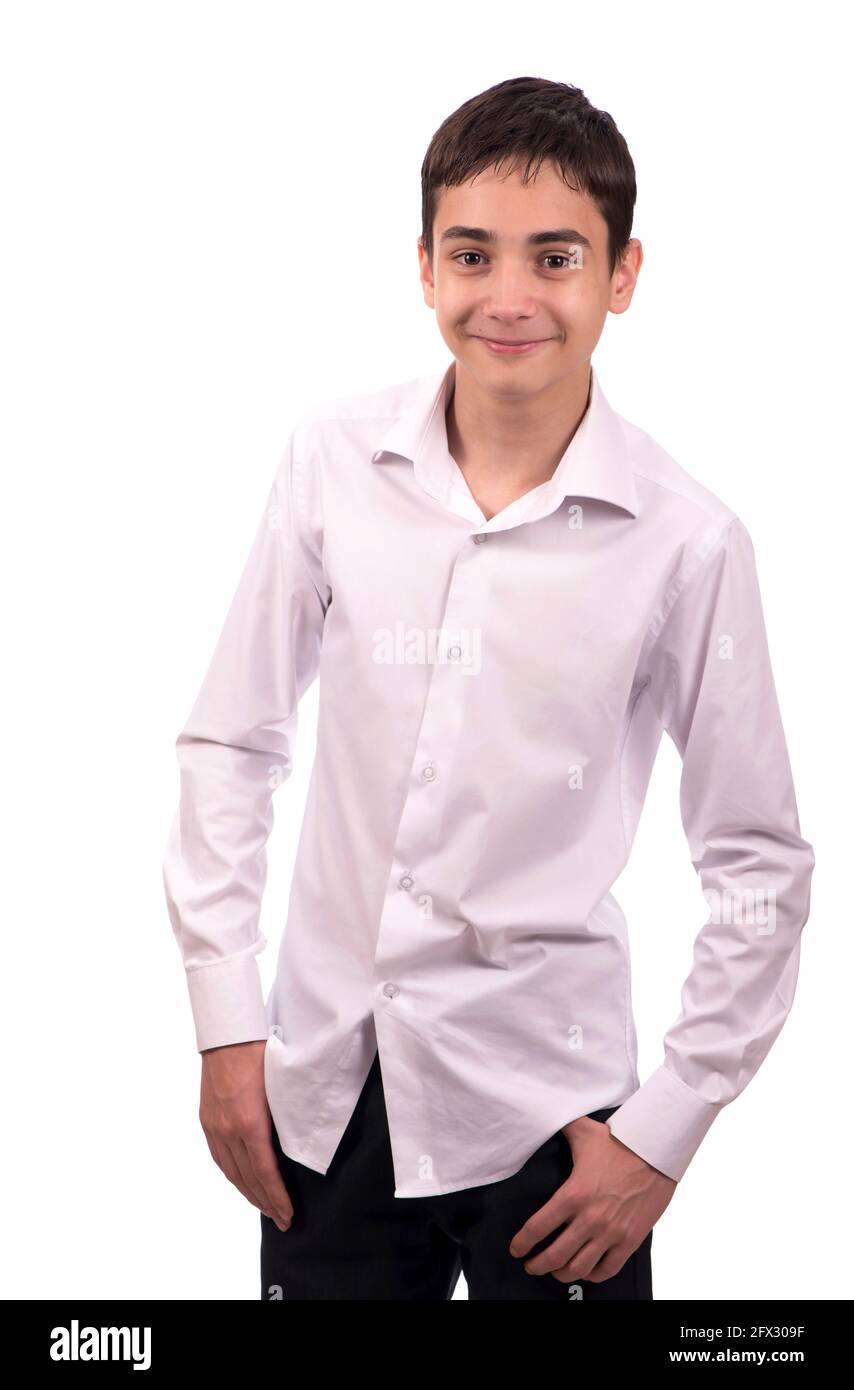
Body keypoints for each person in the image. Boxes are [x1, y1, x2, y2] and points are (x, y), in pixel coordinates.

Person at [162, 76, 815, 1301]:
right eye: (472, 253)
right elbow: (230, 742)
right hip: (326, 1095)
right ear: (423, 267)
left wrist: (661, 1133)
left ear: (620, 274)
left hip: (554, 1124)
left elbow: (756, 862)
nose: (508, 296)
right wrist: (224, 1019)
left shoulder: (687, 541)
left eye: (554, 256)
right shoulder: (328, 464)